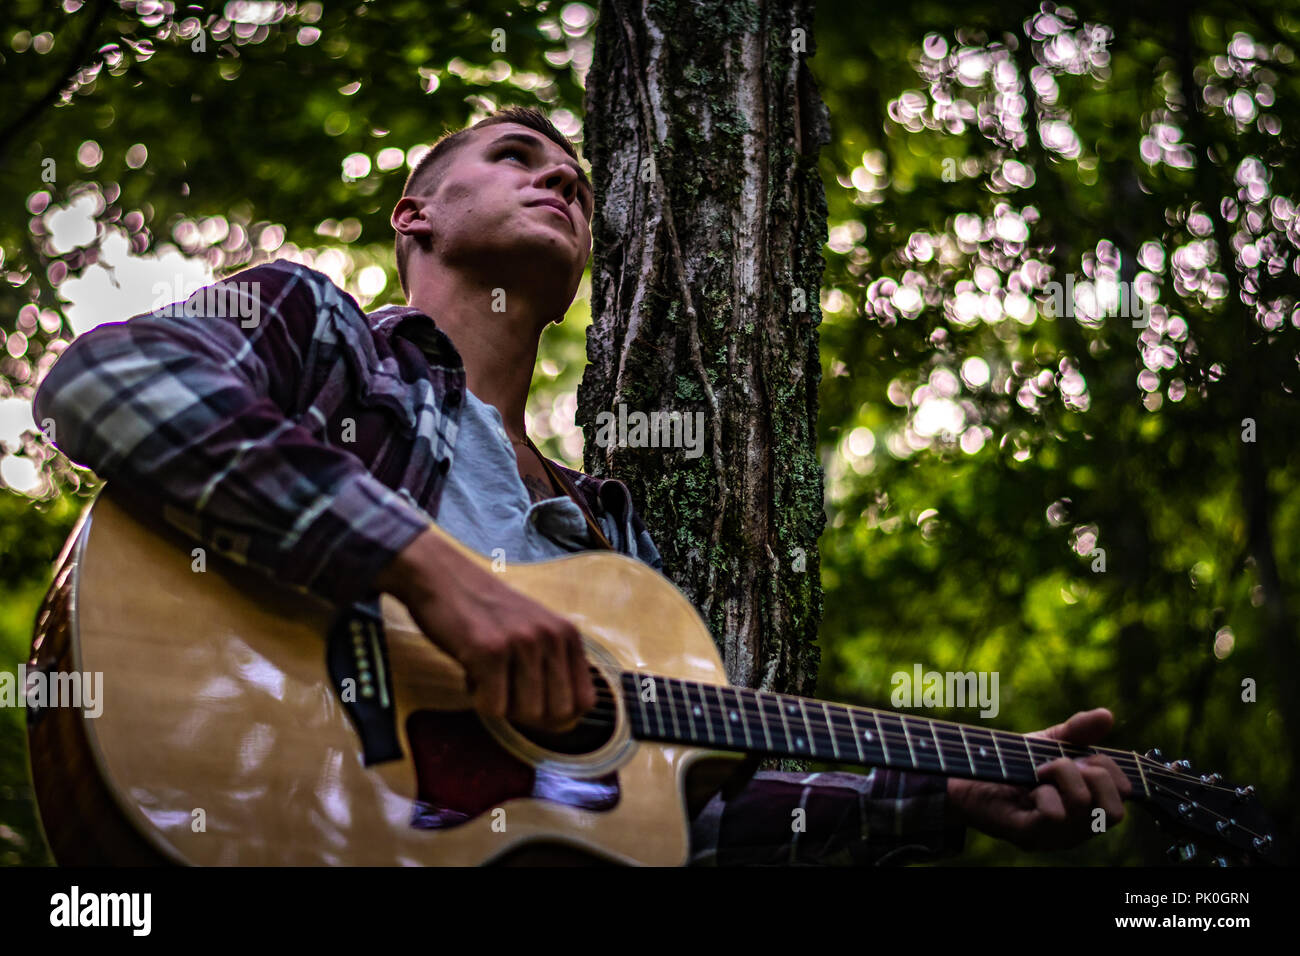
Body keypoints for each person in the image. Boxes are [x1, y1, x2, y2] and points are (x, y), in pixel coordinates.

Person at [34, 106, 1131, 866]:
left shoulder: (611, 545)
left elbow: (662, 825)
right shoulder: (323, 336)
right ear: (414, 213)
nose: (558, 175)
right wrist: (431, 576)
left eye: (573, 178)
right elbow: (110, 381)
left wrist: (945, 793)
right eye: (515, 156)